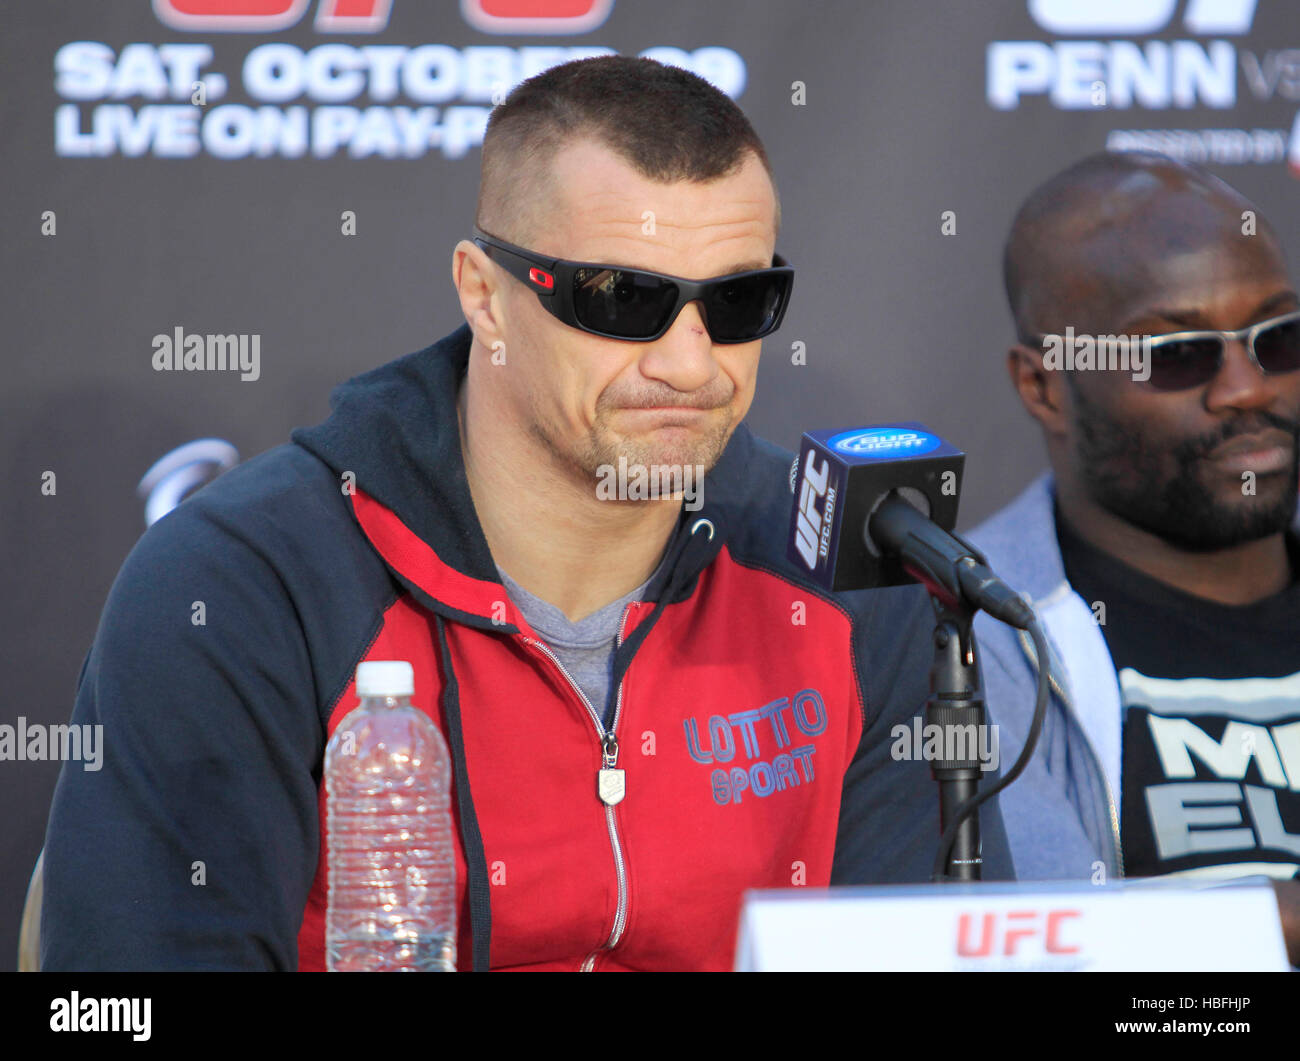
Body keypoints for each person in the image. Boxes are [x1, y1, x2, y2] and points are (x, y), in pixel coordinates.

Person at [41, 56, 1010, 972]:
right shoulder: (244, 582)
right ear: (485, 296)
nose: (690, 362)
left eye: (740, 301)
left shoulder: (853, 566)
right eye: (623, 298)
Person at [967, 150, 1300, 963]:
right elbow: (1029, 945)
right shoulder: (958, 637)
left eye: (1279, 338)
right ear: (1045, 387)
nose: (1245, 388)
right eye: (1177, 354)